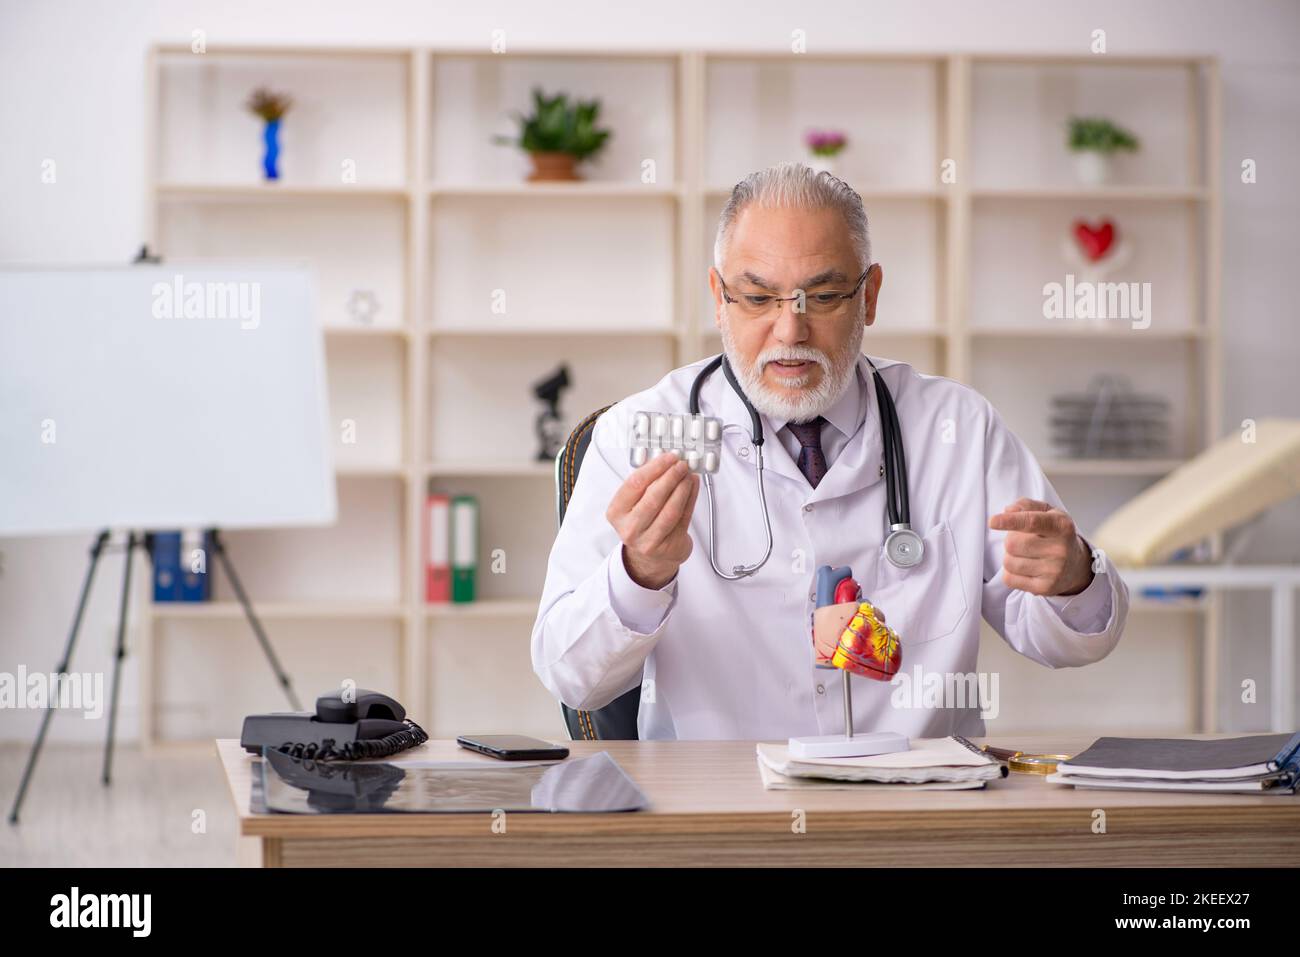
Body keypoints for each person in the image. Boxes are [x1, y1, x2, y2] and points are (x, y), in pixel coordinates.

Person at [531, 161, 1129, 740]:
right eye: (759, 299)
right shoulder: (642, 432)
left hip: (916, 806)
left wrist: (1073, 575)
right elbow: (571, 677)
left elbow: (1067, 643)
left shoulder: (958, 429)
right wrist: (640, 573)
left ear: (868, 296)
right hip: (719, 809)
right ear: (719, 297)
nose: (790, 332)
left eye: (822, 298)